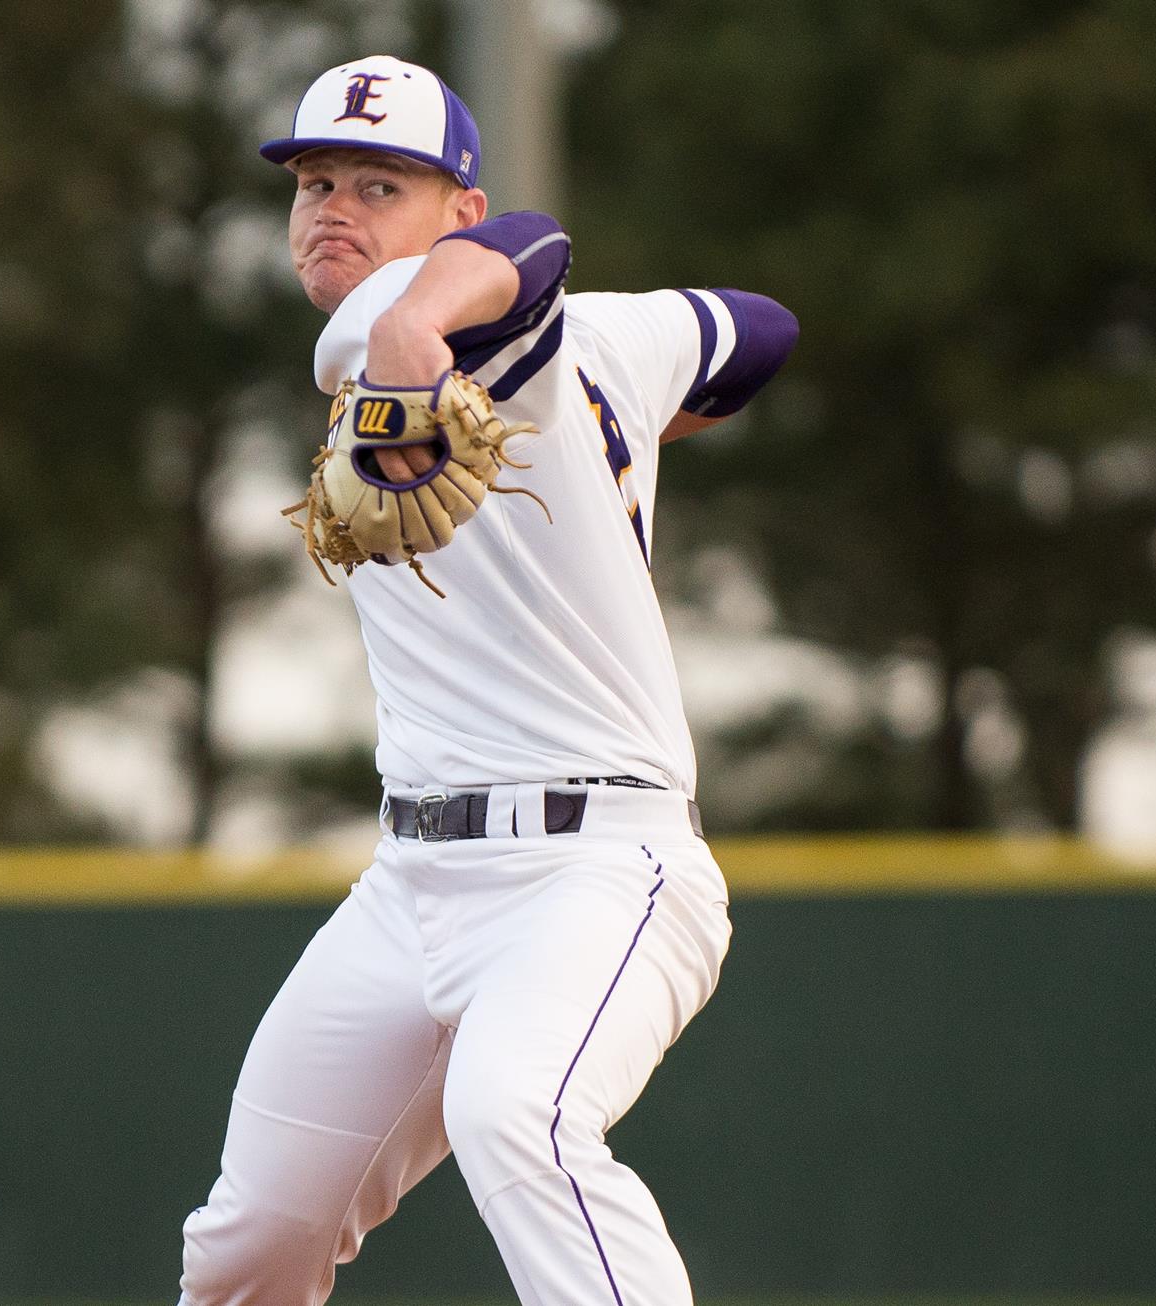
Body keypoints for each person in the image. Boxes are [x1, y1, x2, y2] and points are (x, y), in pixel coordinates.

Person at [178, 54, 798, 1306]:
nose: (334, 210)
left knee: (520, 1116)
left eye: (379, 184)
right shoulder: (603, 335)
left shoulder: (392, 320)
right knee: (252, 1241)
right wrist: (626, 417)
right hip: (414, 882)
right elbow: (756, 327)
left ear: (456, 218)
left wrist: (416, 328)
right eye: (314, 184)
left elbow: (535, 240)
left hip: (597, 867)